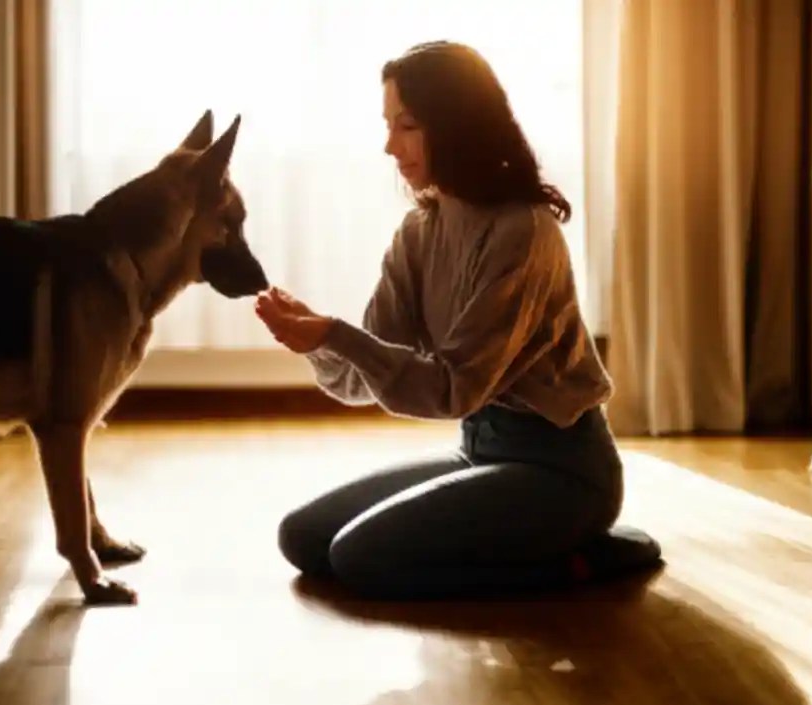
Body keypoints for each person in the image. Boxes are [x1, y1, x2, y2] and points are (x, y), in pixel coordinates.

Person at [254, 40, 658, 600]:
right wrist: (318, 342)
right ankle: (532, 541)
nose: (389, 146)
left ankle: (586, 556)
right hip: (480, 456)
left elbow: (454, 389)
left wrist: (338, 335)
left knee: (360, 556)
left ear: (457, 124)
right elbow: (361, 379)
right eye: (389, 125)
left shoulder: (525, 231)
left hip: (564, 476)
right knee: (303, 538)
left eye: (408, 126)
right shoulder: (420, 232)